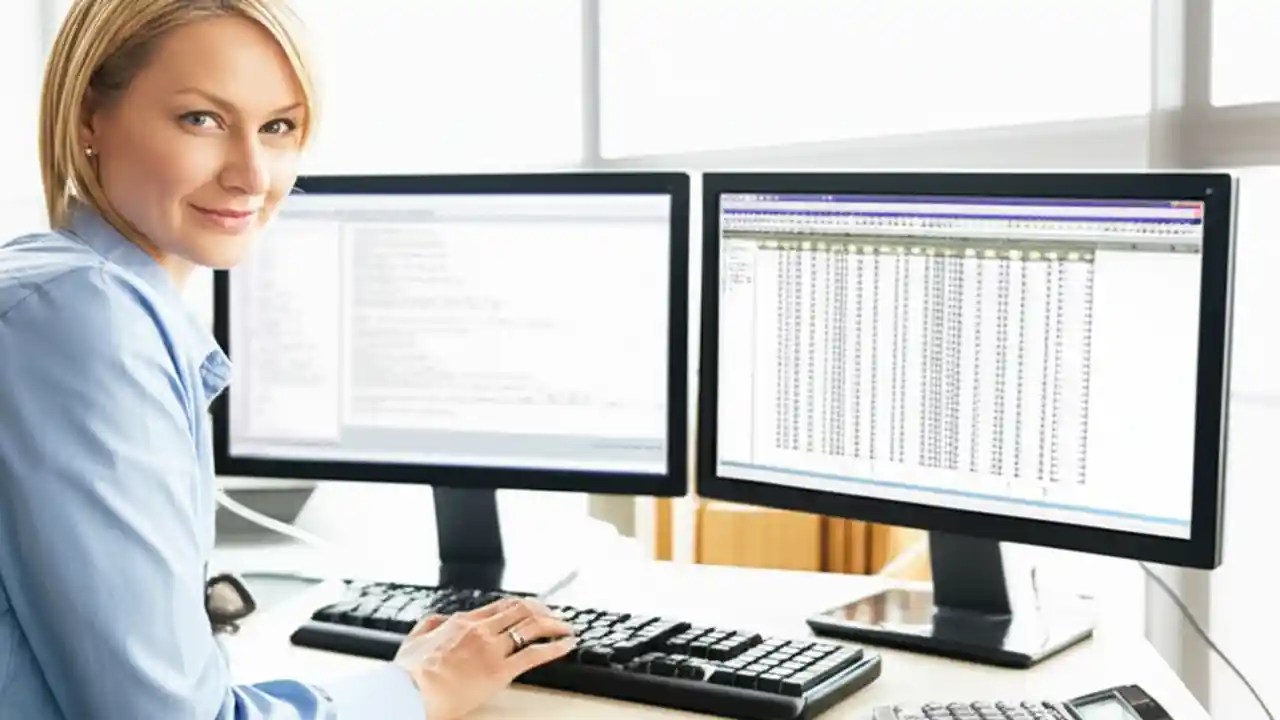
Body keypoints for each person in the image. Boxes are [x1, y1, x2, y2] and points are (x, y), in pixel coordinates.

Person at [0, 1, 575, 718]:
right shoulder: (83, 320)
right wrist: (418, 690)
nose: (252, 174)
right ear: (90, 119)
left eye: (278, 128)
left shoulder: (55, 289)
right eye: (201, 120)